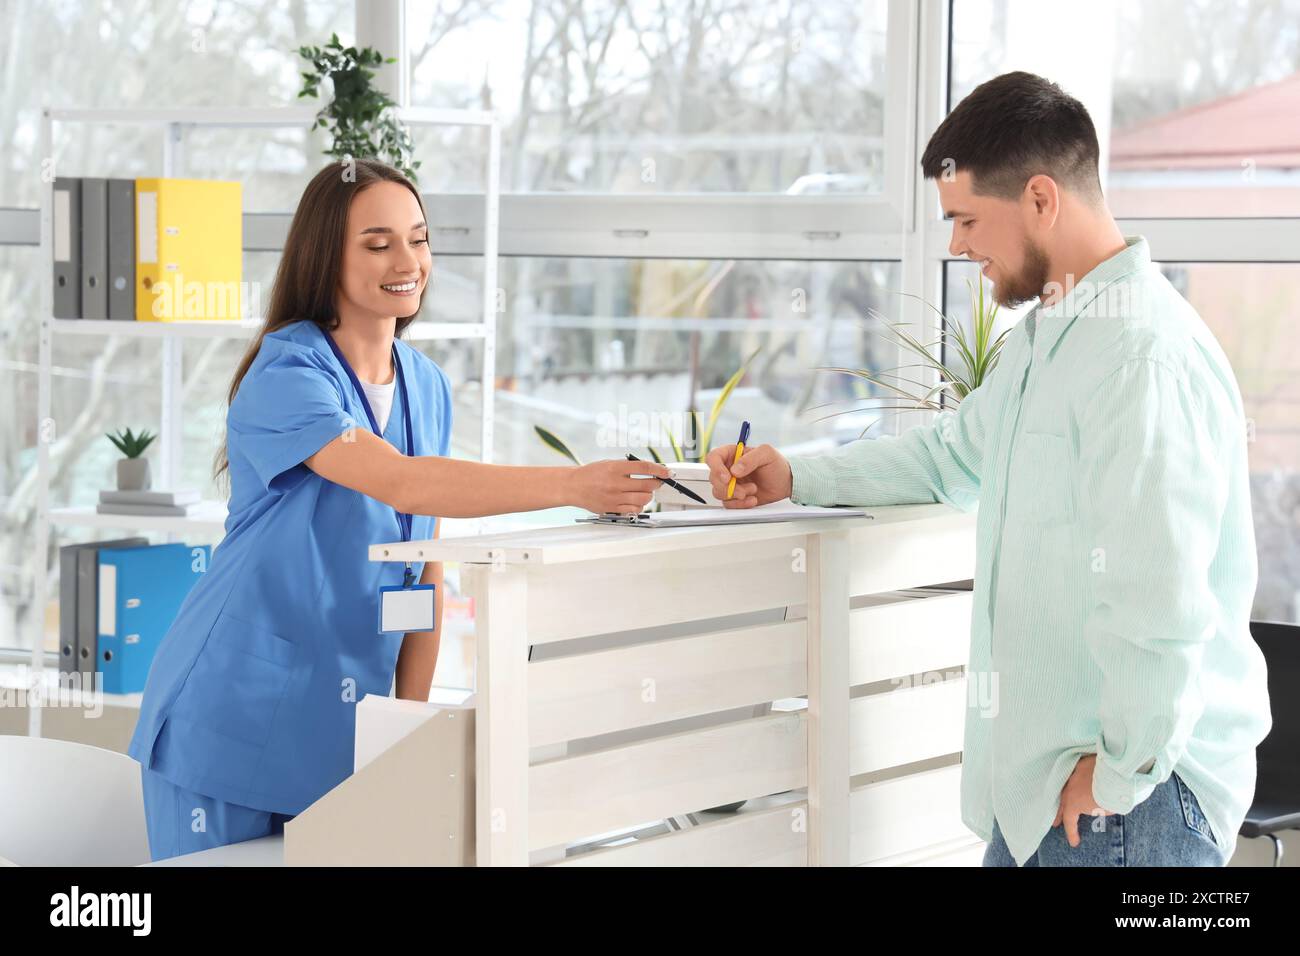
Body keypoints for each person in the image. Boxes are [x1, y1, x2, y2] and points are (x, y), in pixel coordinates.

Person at [707, 72, 1271, 867]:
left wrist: (1119, 777)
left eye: (968, 219)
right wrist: (793, 477)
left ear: (1041, 198)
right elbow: (951, 453)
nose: (956, 245)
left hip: (1123, 809)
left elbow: (1159, 607)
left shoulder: (1139, 358)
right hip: (1049, 793)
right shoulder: (1051, 337)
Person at [127, 158, 669, 861]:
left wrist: (406, 731)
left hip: (340, 730)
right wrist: (571, 486)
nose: (407, 262)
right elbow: (405, 484)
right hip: (231, 713)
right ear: (327, 257)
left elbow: (426, 570)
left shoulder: (427, 385)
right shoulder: (287, 375)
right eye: (379, 244)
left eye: (419, 239)